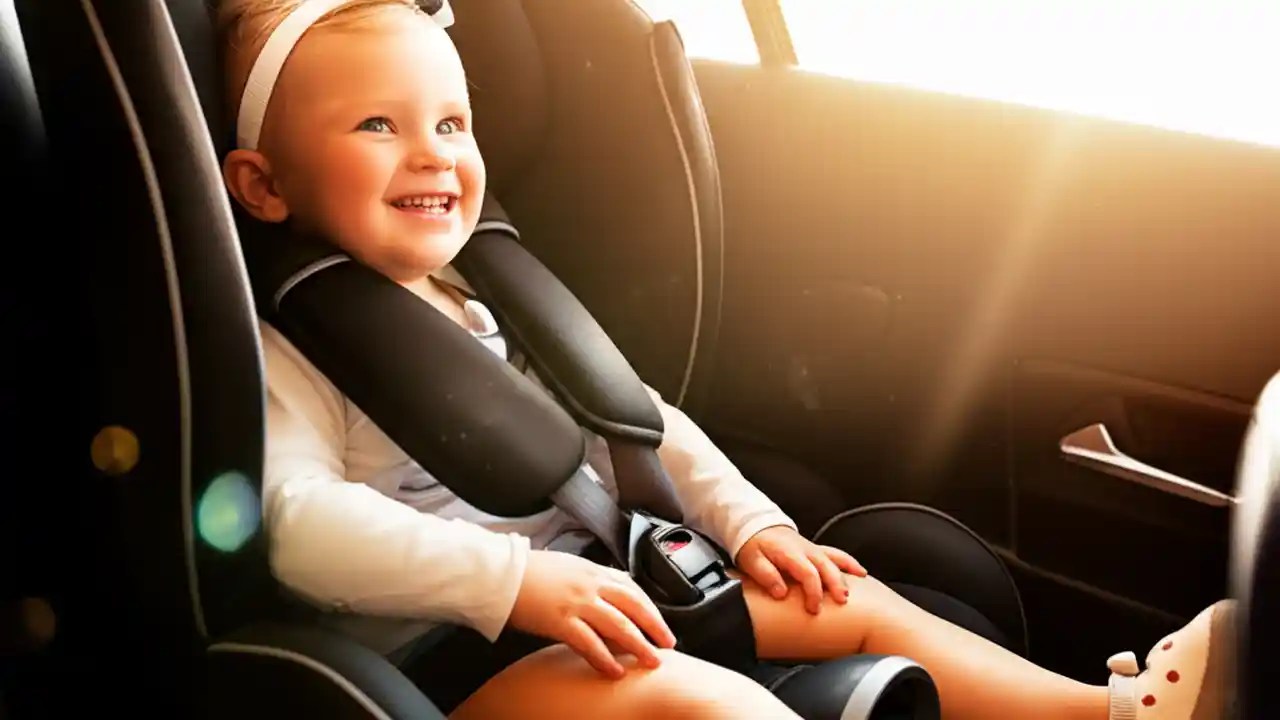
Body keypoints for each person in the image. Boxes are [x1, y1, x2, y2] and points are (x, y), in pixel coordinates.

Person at [216, 1, 1234, 718]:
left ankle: (1099, 714)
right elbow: (299, 530)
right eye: (377, 126)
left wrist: (748, 525)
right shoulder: (289, 350)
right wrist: (511, 585)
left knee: (844, 599)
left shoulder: (484, 295)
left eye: (450, 121)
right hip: (457, 662)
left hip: (603, 587)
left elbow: (634, 421)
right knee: (701, 702)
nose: (434, 151)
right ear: (262, 187)